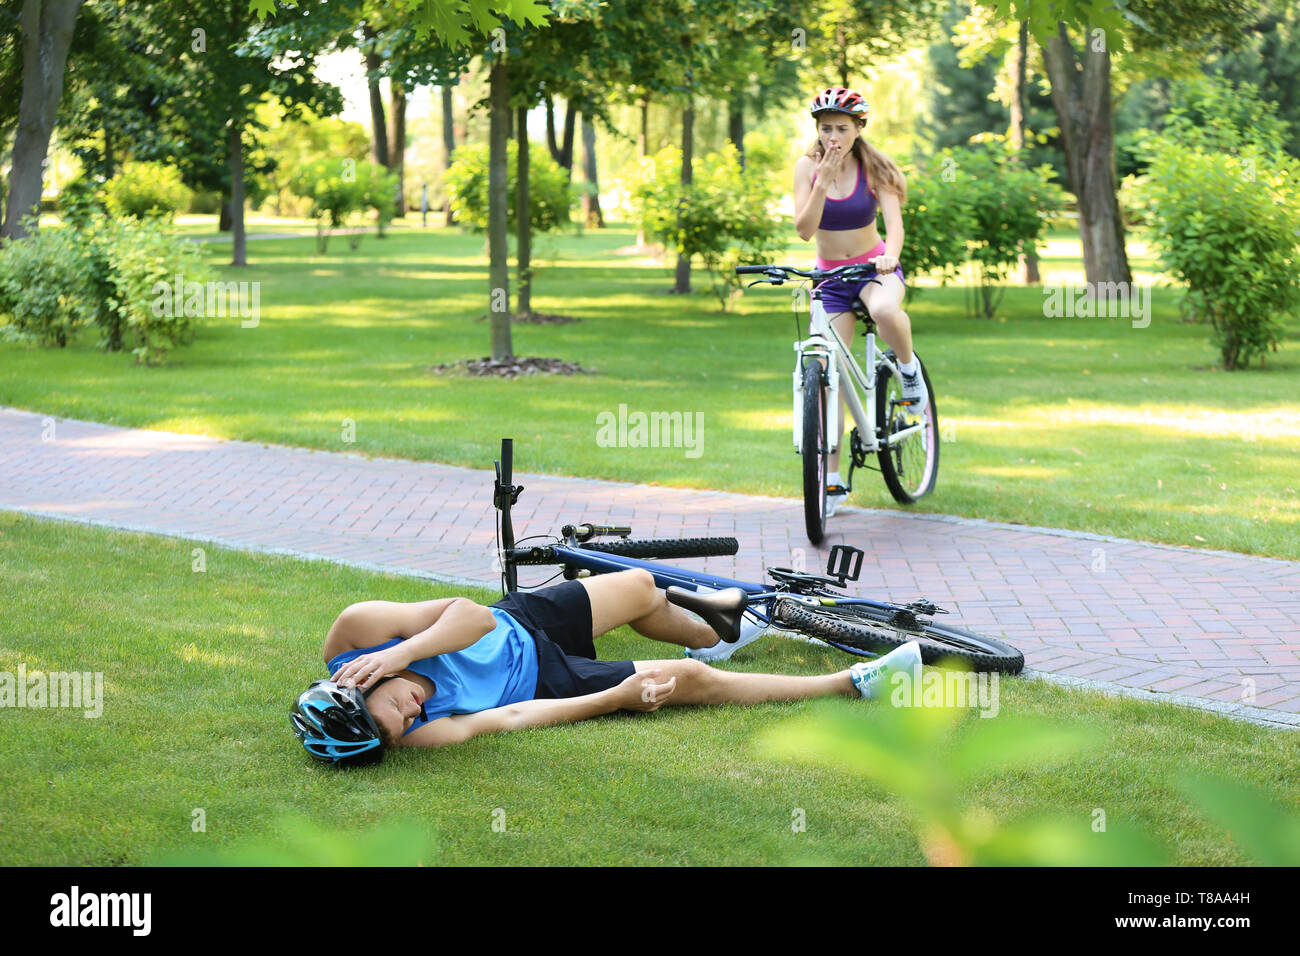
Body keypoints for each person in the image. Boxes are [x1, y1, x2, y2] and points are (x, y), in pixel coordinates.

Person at [290, 569, 923, 767]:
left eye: (397, 710)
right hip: (540, 679)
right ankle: (855, 684)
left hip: (515, 622)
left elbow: (471, 616)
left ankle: (717, 633)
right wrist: (612, 698)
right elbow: (509, 718)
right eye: (405, 730)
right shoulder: (417, 732)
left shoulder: (357, 631)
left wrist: (404, 650)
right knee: (690, 686)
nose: (416, 714)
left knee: (644, 588)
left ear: (359, 683)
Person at [793, 86, 925, 516]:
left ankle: (908, 371)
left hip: (873, 269)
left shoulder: (876, 168)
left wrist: (891, 256)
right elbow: (804, 230)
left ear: (858, 129)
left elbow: (895, 226)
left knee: (887, 310)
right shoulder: (806, 167)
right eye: (826, 127)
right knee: (825, 372)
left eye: (842, 128)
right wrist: (823, 182)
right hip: (829, 278)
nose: (833, 136)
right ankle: (830, 478)